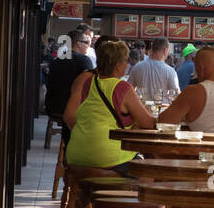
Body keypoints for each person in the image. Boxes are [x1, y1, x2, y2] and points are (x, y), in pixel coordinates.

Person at [63, 39, 156, 173]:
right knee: (149, 172)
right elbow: (148, 123)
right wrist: (150, 114)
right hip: (106, 158)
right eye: (126, 60)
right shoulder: (122, 87)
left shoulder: (89, 82)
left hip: (76, 156)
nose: (128, 63)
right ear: (118, 65)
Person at [45, 23, 97, 142]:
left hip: (52, 106)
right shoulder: (83, 60)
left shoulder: (58, 59)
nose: (88, 47)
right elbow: (92, 85)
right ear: (79, 44)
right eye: (87, 43)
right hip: (71, 109)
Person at [129, 35, 181, 106]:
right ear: (165, 50)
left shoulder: (137, 67)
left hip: (142, 111)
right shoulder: (170, 71)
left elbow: (128, 90)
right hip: (161, 111)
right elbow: (176, 96)